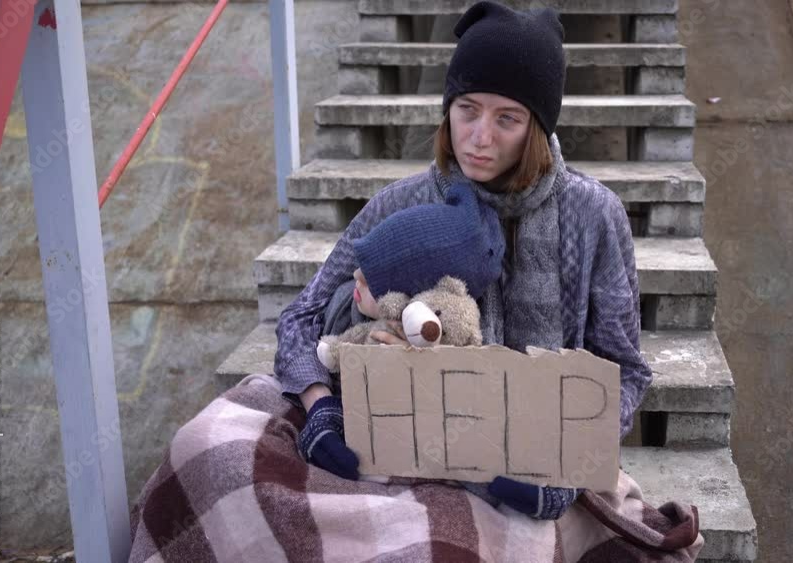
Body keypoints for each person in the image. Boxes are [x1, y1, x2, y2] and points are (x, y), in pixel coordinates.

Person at [275, 0, 653, 520]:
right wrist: (321, 407)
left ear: (538, 128)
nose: (479, 137)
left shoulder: (594, 216)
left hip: (531, 472)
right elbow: (302, 316)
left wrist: (568, 465)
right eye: (467, 109)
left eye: (508, 118)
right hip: (406, 459)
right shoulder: (400, 206)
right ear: (447, 108)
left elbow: (625, 371)